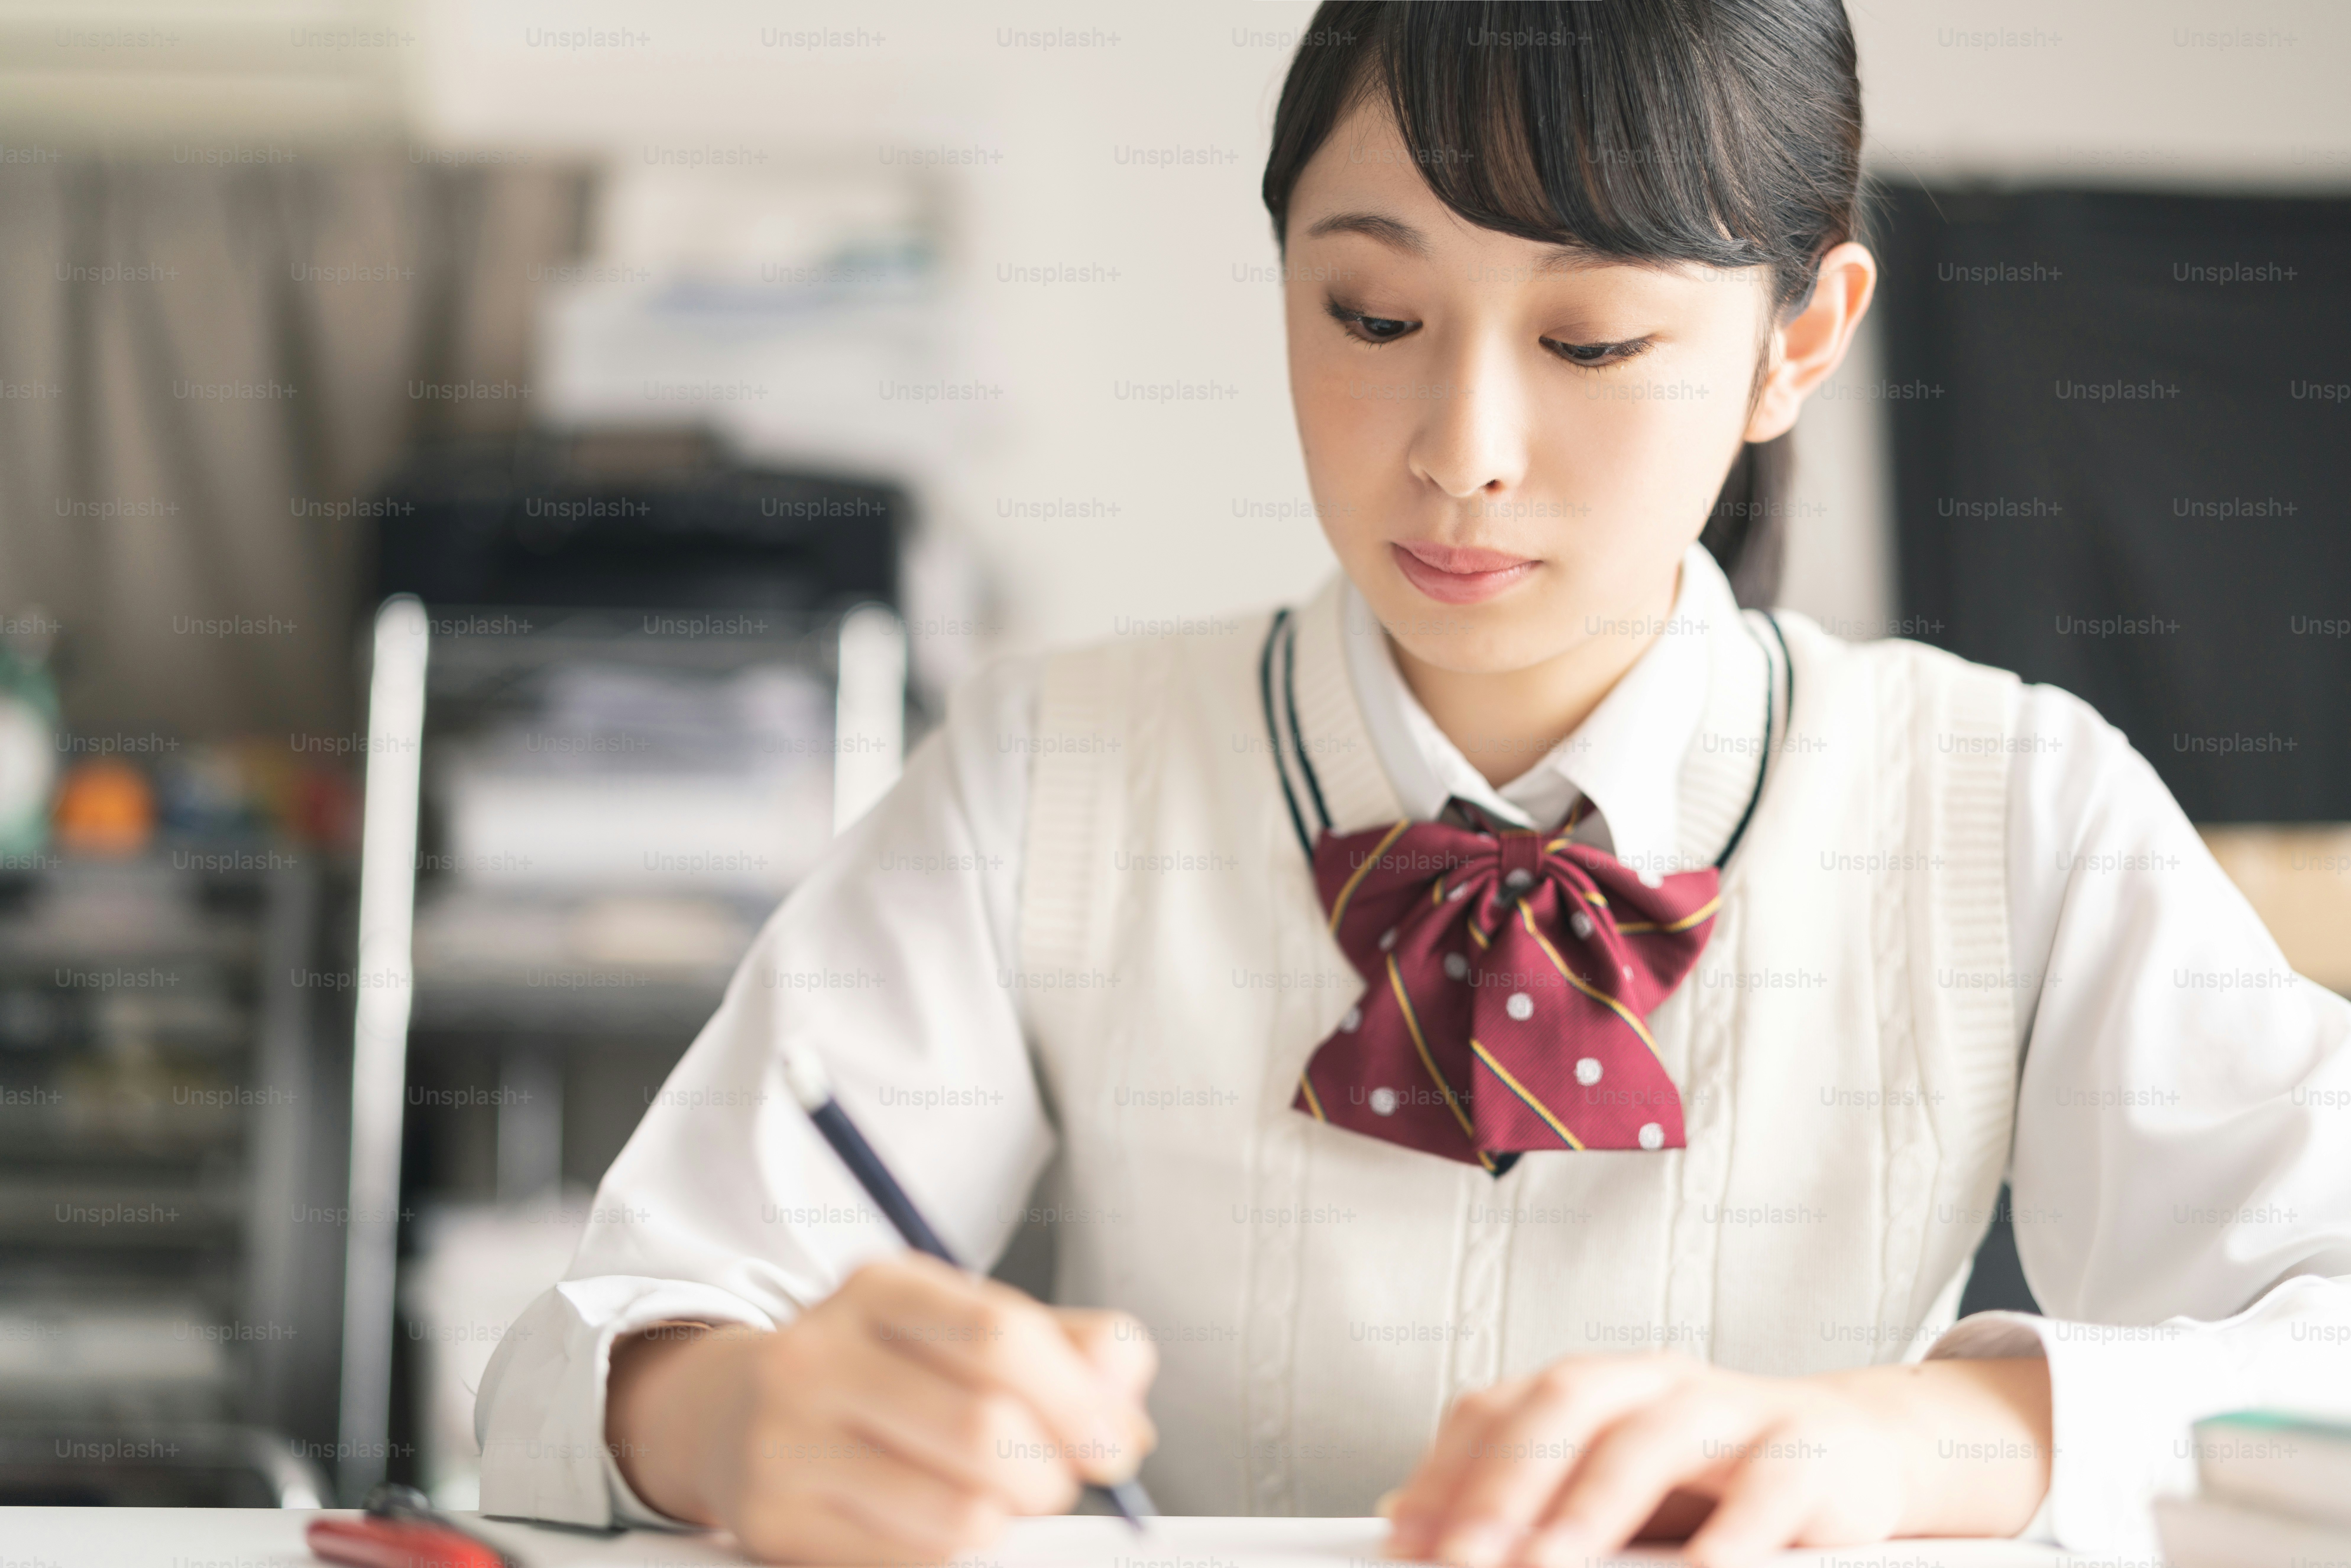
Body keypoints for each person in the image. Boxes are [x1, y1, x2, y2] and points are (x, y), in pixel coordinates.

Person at [475, 4, 2351, 1564]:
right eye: (1372, 317)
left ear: (1800, 340)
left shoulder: (2007, 799)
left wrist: (1896, 1443)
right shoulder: (1058, 769)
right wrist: (738, 1410)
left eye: (1592, 340)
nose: (1464, 452)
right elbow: (573, 1356)